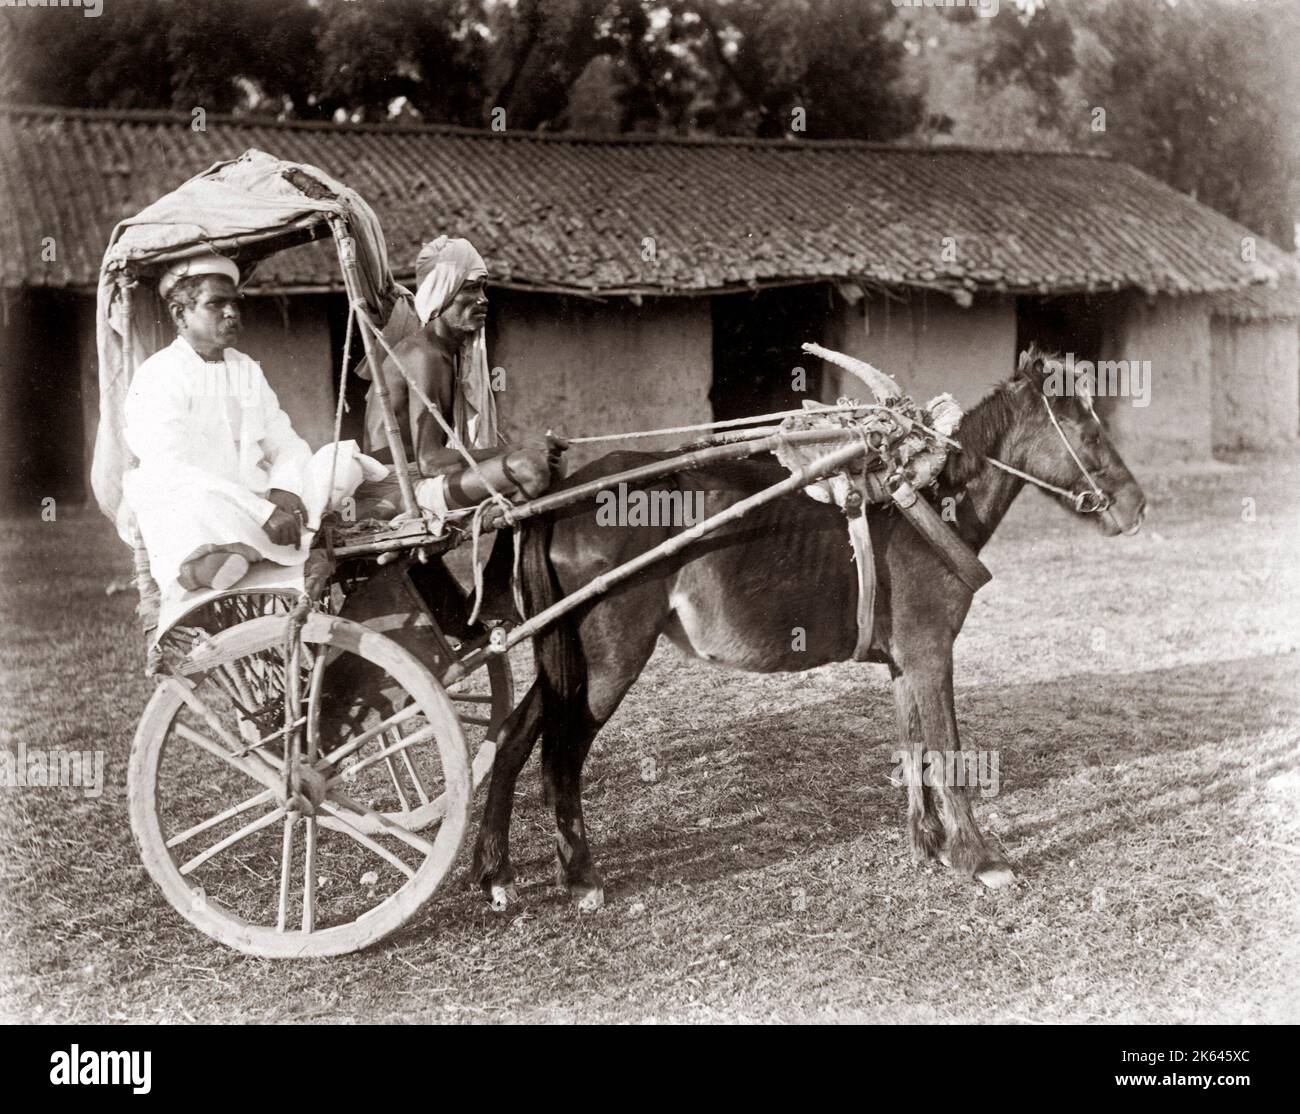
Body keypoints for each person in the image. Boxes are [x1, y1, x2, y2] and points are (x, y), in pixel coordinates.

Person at [124, 252, 331, 592]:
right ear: (180, 314)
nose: (232, 313)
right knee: (190, 504)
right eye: (215, 304)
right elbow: (170, 470)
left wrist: (284, 488)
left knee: (335, 459)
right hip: (204, 506)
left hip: (259, 501)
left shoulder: (245, 367)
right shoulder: (159, 375)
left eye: (235, 303)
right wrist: (262, 511)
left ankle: (236, 555)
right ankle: (202, 565)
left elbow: (285, 440)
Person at [361, 236, 563, 518]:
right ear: (441, 294)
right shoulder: (423, 355)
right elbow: (430, 462)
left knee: (550, 464)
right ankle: (508, 556)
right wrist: (518, 448)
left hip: (416, 482)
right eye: (469, 289)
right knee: (530, 466)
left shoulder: (449, 356)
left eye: (483, 287)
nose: (483, 299)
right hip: (394, 491)